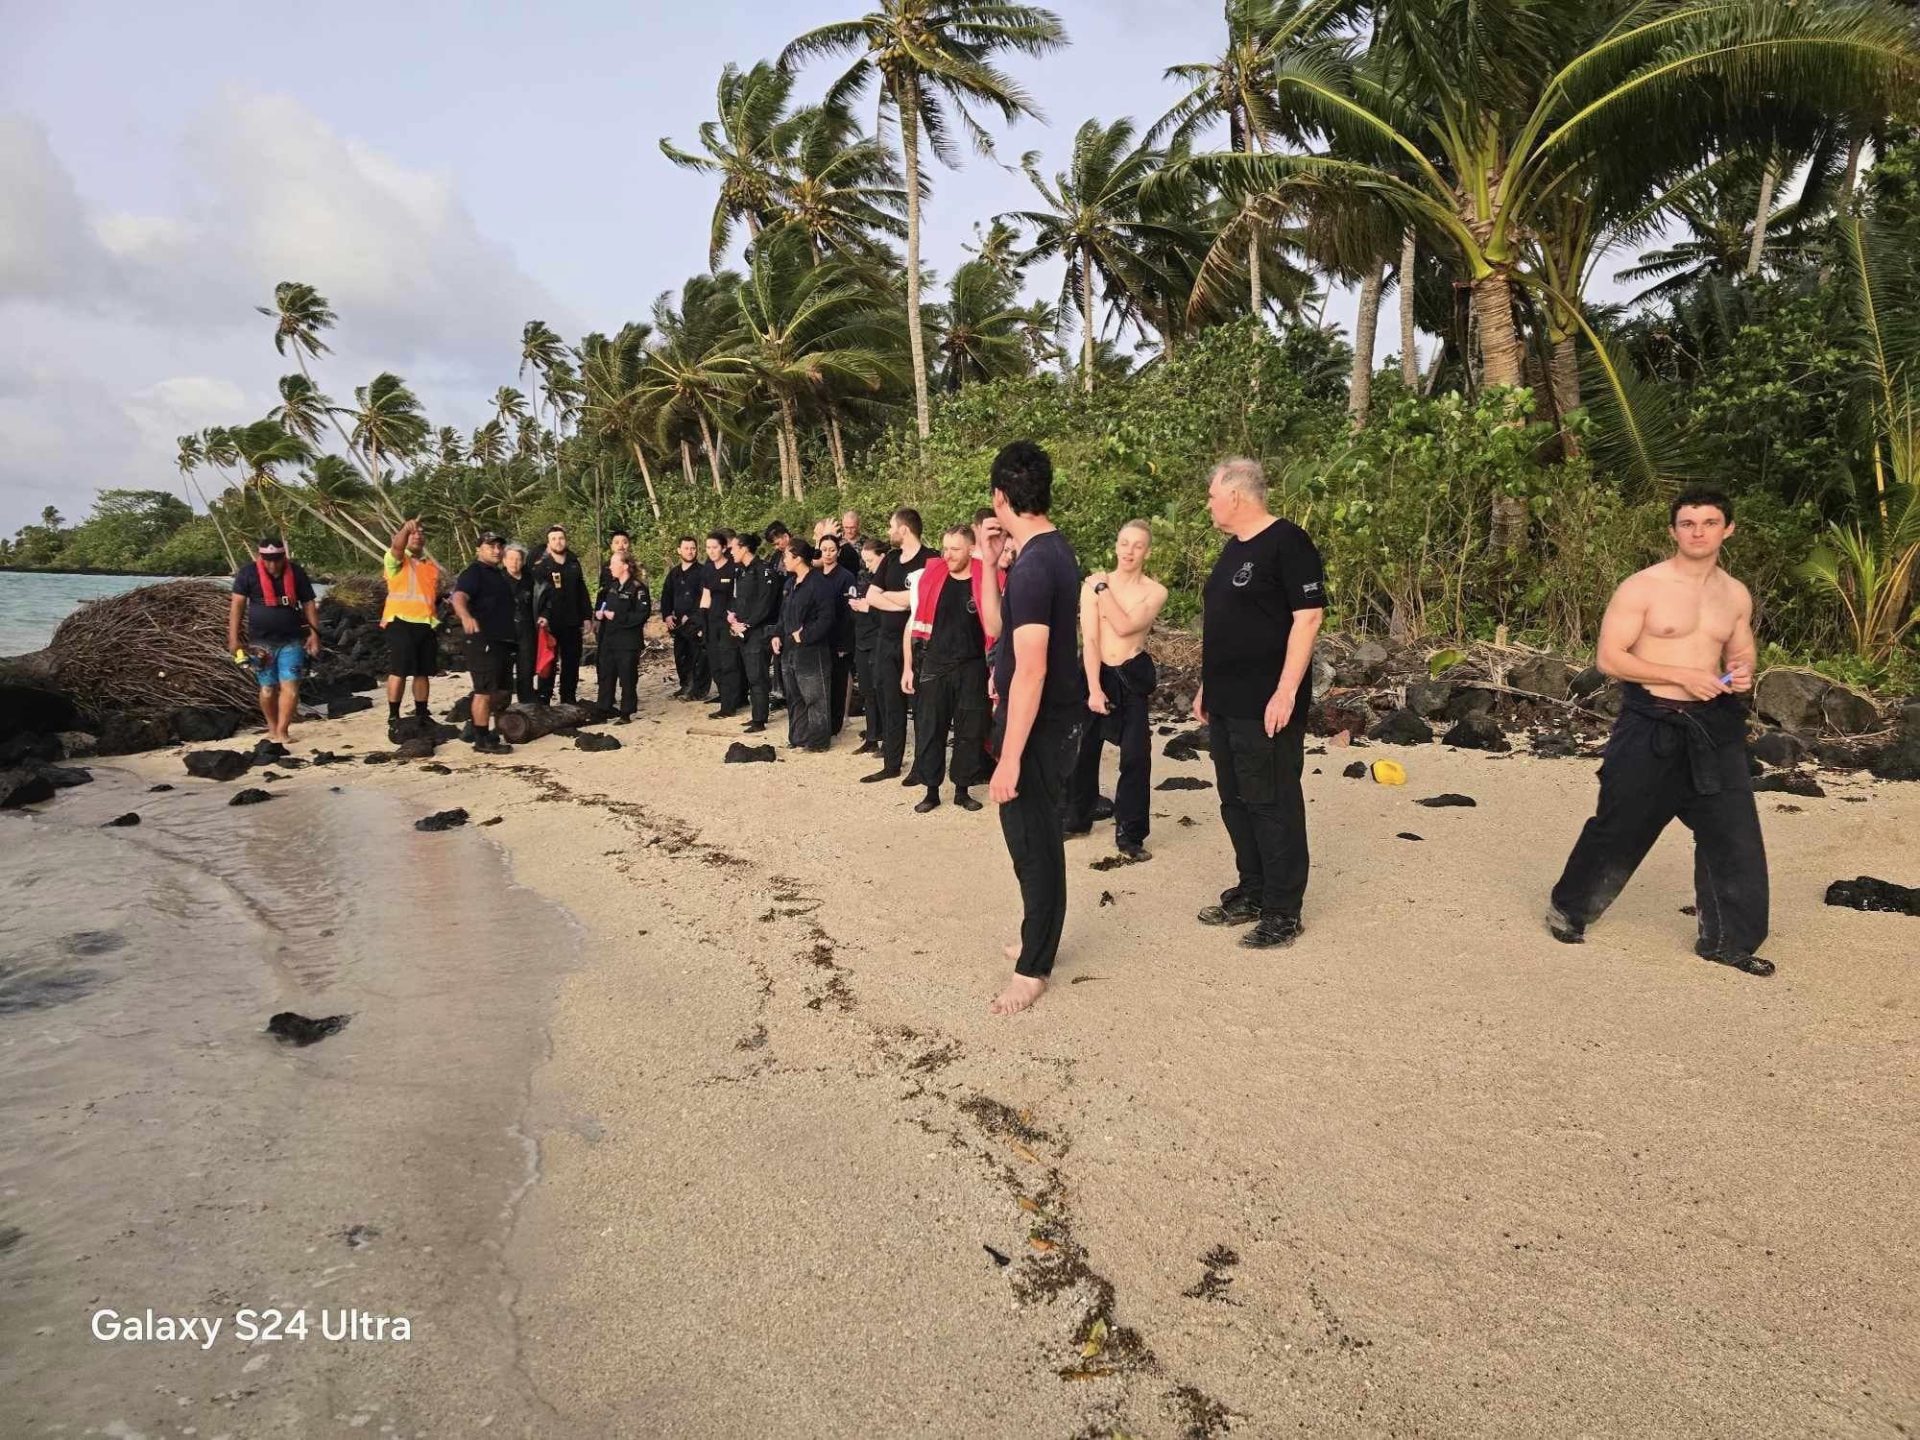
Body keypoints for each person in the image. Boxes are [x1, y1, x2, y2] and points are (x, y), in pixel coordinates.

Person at [1546, 488, 1772, 976]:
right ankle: (1570, 908)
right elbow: (1611, 658)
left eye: (1709, 523)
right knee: (1621, 824)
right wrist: (1680, 676)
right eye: (1687, 523)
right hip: (1651, 718)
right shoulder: (1642, 587)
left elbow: (1741, 649)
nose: (1698, 531)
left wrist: (1744, 669)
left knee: (1734, 835)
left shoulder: (1734, 594)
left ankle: (1729, 942)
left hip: (1715, 724)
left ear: (1727, 529)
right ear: (1673, 531)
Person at [1192, 458, 1326, 951]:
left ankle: (1282, 910)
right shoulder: (1232, 549)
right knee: (1235, 799)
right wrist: (1208, 684)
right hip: (1227, 700)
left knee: (1272, 800)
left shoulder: (1288, 542)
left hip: (1267, 700)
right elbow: (1225, 622)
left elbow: (1308, 618)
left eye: (1211, 494)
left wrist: (1287, 689)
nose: (1208, 503)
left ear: (1236, 495)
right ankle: (1252, 889)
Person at [985, 441, 1087, 1017]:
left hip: (1041, 725)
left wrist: (1009, 757)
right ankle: (1034, 935)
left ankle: (1034, 966)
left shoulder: (1036, 566)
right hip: (1049, 719)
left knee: (1034, 840)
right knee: (1029, 836)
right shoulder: (1047, 551)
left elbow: (1032, 670)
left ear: (1001, 496)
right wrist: (991, 554)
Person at [1067, 521, 1169, 859]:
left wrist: (1102, 590)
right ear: (1116, 546)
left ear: (1147, 552)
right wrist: (1094, 689)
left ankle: (1130, 834)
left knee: (1136, 756)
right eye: (1124, 543)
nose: (1129, 550)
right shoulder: (1093, 583)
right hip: (1096, 672)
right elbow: (1091, 639)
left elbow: (1126, 626)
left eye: (1137, 545)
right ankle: (1076, 819)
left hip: (1131, 676)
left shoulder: (1153, 591)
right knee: (1083, 752)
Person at [904, 524, 1000, 814]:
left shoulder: (986, 579)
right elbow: (912, 623)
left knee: (970, 730)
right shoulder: (932, 577)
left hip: (972, 666)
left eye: (955, 549)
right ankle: (931, 789)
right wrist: (908, 667)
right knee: (931, 728)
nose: (947, 554)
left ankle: (962, 788)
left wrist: (995, 672)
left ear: (971, 549)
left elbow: (998, 631)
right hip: (935, 663)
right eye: (945, 548)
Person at [855, 507, 932, 783]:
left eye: (891, 526)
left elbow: (925, 600)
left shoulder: (931, 559)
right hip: (887, 642)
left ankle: (922, 767)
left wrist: (899, 599)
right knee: (891, 704)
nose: (888, 532)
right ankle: (892, 763)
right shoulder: (889, 560)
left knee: (921, 707)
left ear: (904, 529)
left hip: (918, 644)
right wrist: (907, 601)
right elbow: (872, 597)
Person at [227, 537, 320, 747]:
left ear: (283, 557)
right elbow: (237, 607)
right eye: (268, 559)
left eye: (277, 559)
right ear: (261, 557)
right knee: (267, 688)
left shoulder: (296, 573)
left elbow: (309, 604)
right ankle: (271, 727)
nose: (273, 564)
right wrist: (233, 639)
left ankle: (282, 730)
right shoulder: (247, 573)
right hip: (261, 643)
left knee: (291, 686)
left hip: (292, 639)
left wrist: (315, 635)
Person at [450, 532, 518, 753]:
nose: (496, 550)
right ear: (479, 548)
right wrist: (466, 616)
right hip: (481, 639)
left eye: (500, 546)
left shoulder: (498, 575)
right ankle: (480, 739)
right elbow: (458, 597)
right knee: (484, 690)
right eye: (491, 546)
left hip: (502, 639)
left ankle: (489, 729)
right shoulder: (474, 573)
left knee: (502, 689)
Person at [774, 540, 836, 751]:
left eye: (786, 557)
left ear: (798, 558)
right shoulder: (790, 583)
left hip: (812, 650)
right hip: (790, 649)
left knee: (815, 696)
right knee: (794, 695)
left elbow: (827, 618)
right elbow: (783, 614)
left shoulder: (819, 584)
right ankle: (798, 738)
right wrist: (777, 634)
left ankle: (818, 742)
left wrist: (806, 635)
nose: (783, 560)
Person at [531, 525, 591, 705]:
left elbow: (582, 590)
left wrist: (587, 616)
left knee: (572, 662)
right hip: (550, 622)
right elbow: (537, 595)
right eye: (554, 538)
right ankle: (544, 698)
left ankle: (568, 697)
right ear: (548, 543)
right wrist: (540, 616)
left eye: (561, 538)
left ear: (566, 540)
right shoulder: (541, 565)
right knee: (548, 662)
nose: (558, 541)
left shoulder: (573, 561)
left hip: (572, 621)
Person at [728, 532, 780, 732]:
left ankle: (760, 719)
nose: (730, 552)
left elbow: (765, 604)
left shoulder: (764, 571)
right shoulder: (740, 571)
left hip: (758, 632)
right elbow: (737, 598)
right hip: (742, 631)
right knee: (750, 674)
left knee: (758, 675)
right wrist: (732, 617)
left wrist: (748, 624)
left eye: (733, 548)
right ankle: (756, 714)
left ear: (743, 548)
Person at [593, 552, 652, 722]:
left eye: (613, 563)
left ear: (625, 566)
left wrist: (617, 617)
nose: (610, 567)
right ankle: (604, 708)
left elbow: (642, 614)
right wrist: (601, 614)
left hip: (628, 641)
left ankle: (626, 711)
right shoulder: (612, 586)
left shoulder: (637, 588)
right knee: (606, 674)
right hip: (609, 638)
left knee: (627, 677)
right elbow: (605, 605)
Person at [700, 530, 745, 718]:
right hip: (711, 622)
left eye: (715, 547)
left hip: (728, 623)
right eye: (708, 547)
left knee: (729, 664)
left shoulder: (733, 568)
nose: (711, 551)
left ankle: (729, 706)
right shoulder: (707, 569)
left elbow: (738, 597)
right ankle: (726, 697)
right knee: (715, 664)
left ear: (724, 547)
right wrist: (702, 624)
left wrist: (735, 620)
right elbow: (705, 597)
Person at [818, 534, 859, 735]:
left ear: (839, 552)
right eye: (824, 549)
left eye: (832, 550)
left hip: (840, 638)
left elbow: (849, 613)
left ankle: (836, 725)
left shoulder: (846, 577)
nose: (828, 554)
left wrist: (845, 643)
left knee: (838, 681)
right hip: (818, 639)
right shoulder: (815, 575)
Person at [851, 536, 888, 754]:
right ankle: (872, 736)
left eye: (870, 560)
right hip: (862, 638)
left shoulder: (889, 578)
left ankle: (888, 740)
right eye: (864, 560)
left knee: (881, 691)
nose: (867, 565)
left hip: (879, 639)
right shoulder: (863, 577)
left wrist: (869, 608)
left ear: (882, 557)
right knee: (867, 691)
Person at [661, 536, 708, 701]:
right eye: (686, 548)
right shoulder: (674, 573)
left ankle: (697, 690)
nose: (690, 551)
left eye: (693, 548)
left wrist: (693, 615)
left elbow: (704, 597)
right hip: (678, 625)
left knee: (697, 657)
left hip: (696, 623)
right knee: (681, 656)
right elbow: (666, 595)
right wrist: (667, 615)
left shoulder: (702, 572)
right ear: (679, 550)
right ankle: (684, 686)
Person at [503, 541, 538, 704]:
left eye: (517, 559)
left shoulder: (531, 579)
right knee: (504, 670)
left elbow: (542, 600)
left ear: (523, 561)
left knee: (526, 669)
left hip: (527, 628)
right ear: (504, 560)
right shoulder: (498, 579)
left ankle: (527, 703)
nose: (514, 563)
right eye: (510, 559)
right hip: (504, 629)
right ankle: (503, 705)